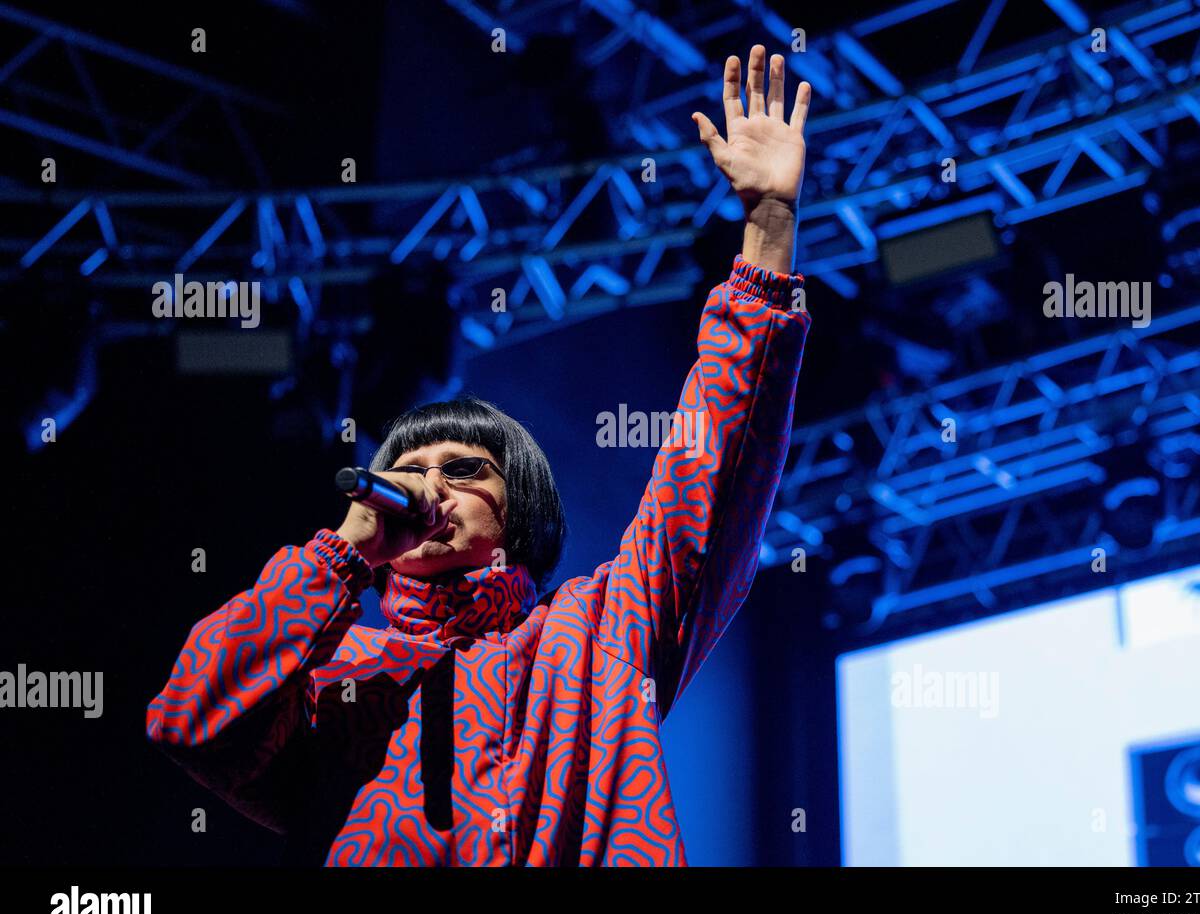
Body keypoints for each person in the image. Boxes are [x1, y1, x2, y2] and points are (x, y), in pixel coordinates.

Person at [146, 45, 814, 866]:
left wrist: (768, 232)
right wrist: (339, 557)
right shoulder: (334, 676)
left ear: (519, 514)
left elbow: (707, 481)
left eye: (465, 470)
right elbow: (190, 721)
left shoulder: (597, 634)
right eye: (412, 468)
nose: (431, 484)